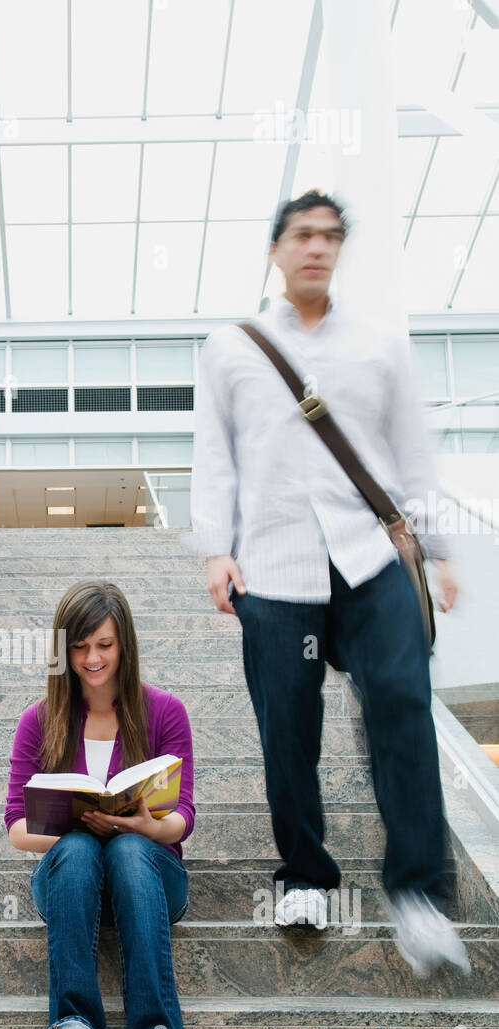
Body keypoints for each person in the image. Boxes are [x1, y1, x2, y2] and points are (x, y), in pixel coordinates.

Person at [190, 189, 469, 975]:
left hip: (371, 558)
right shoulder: (230, 348)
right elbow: (215, 455)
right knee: (288, 724)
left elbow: (411, 457)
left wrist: (438, 550)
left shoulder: (381, 346)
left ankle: (418, 893)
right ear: (275, 250)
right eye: (302, 235)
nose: (317, 247)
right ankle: (305, 874)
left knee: (402, 704)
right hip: (276, 565)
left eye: (331, 237)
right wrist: (216, 549)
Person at [5, 581, 195, 1029]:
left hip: (151, 876)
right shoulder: (39, 721)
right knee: (82, 848)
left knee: (128, 850)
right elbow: (17, 827)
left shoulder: (164, 712)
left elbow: (184, 817)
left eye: (105, 645)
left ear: (124, 645)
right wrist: (72, 824)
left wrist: (144, 826)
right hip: (73, 879)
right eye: (81, 646)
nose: (93, 659)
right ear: (63, 650)